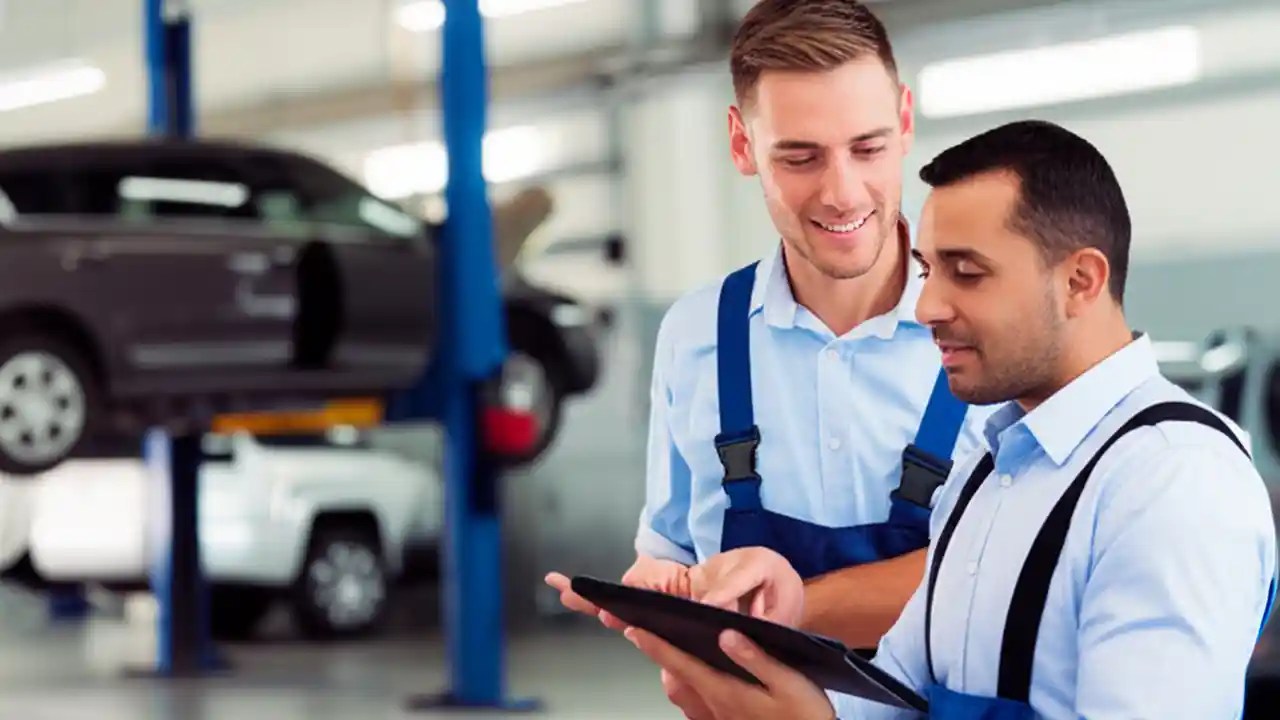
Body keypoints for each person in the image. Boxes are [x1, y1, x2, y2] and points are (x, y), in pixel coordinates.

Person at [618, 119, 1280, 719]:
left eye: (966, 273)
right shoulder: (986, 473)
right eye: (928, 270)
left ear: (1080, 281)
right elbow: (898, 691)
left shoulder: (1171, 484)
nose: (927, 306)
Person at [546, 0, 993, 658]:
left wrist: (796, 606)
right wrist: (656, 600)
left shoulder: (990, 334)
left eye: (867, 148)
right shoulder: (695, 336)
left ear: (904, 122)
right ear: (742, 144)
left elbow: (1020, 579)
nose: (842, 193)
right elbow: (668, 550)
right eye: (800, 158)